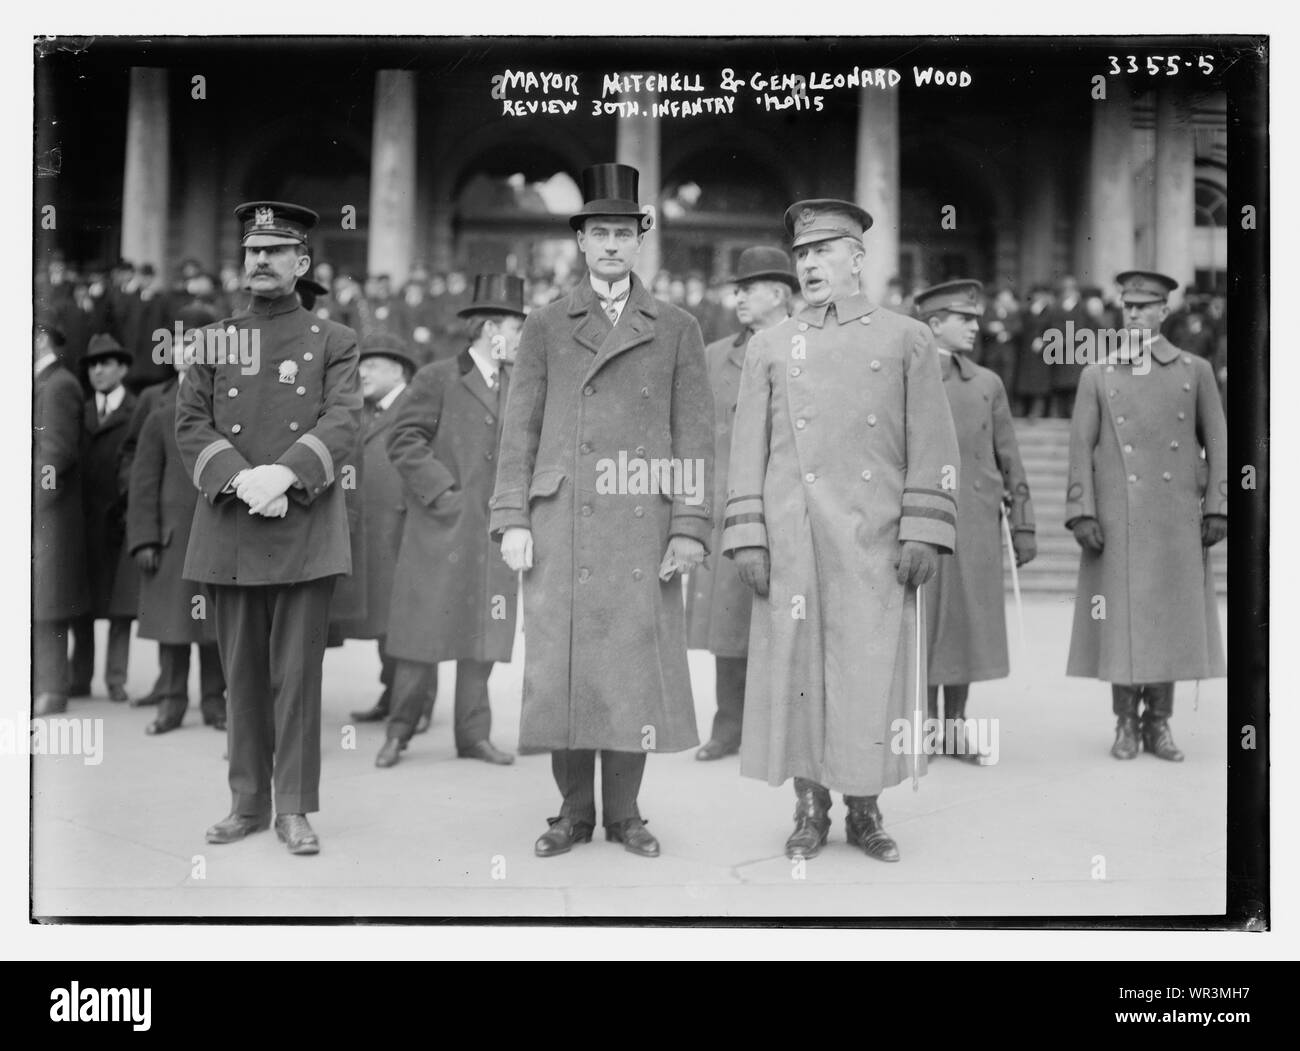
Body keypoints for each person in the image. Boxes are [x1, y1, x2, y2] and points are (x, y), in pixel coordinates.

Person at [722, 199, 960, 863]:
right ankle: (808, 804)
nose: (810, 263)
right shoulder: (771, 344)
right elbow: (748, 448)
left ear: (858, 258)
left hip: (874, 536)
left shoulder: (906, 336)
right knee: (797, 671)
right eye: (802, 253)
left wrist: (922, 528)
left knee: (867, 672)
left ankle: (865, 805)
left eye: (824, 250)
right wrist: (748, 533)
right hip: (794, 535)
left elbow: (934, 442)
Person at [490, 163, 714, 859]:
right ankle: (571, 811)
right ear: (582, 243)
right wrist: (512, 517)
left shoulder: (677, 326)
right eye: (599, 233)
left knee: (631, 668)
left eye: (624, 232)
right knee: (563, 668)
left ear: (640, 241)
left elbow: (695, 434)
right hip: (562, 521)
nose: (612, 245)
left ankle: (626, 813)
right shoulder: (547, 324)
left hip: (642, 523)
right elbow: (518, 427)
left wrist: (688, 527)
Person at [176, 200, 362, 855]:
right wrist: (241, 479)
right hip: (232, 525)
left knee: (297, 678)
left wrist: (281, 477)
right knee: (242, 676)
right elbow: (190, 425)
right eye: (253, 251)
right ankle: (246, 802)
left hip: (303, 528)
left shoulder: (332, 340)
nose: (260, 261)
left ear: (300, 262)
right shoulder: (209, 340)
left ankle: (294, 808)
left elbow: (343, 421)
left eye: (275, 251)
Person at [1065, 270, 1227, 762]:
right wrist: (1081, 511)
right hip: (1118, 518)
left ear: (1164, 311)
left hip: (1176, 516)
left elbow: (1218, 440)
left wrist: (1218, 506)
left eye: (1145, 306)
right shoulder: (1099, 373)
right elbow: (1080, 446)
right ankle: (1124, 726)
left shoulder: (1193, 370)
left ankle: (1158, 724)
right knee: (1120, 622)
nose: (1134, 314)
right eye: (1128, 306)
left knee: (1168, 621)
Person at [378, 275, 528, 769]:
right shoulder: (437, 376)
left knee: (483, 636)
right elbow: (404, 440)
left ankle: (473, 736)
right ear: (490, 329)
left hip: (492, 533)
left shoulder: (519, 384)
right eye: (516, 326)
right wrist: (443, 493)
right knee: (422, 637)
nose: (523, 337)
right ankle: (398, 732)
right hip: (441, 529)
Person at [913, 280, 1036, 760]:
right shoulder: (907, 378)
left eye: (975, 318)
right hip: (921, 524)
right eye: (963, 318)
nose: (975, 327)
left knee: (965, 624)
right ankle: (920, 729)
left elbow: (1010, 458)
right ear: (933, 324)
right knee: (920, 624)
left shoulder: (987, 383)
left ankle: (955, 726)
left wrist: (1023, 524)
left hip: (977, 523)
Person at [687, 245, 798, 761]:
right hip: (729, 511)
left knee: (791, 623)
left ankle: (785, 730)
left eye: (748, 289)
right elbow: (695, 436)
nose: (739, 299)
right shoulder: (715, 357)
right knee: (729, 626)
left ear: (778, 294)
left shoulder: (811, 347)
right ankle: (728, 727)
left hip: (793, 512)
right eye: (738, 290)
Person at [126, 316, 227, 734]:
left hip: (217, 537)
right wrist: (145, 538)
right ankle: (170, 702)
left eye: (198, 371)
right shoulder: (160, 418)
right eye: (184, 369)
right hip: (171, 540)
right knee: (173, 625)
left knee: (215, 628)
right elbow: (143, 483)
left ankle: (213, 703)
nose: (190, 378)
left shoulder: (224, 418)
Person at [344, 333, 420, 727]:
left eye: (372, 365)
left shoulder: (418, 405)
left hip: (405, 531)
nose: (363, 372)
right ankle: (393, 696)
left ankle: (416, 704)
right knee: (383, 622)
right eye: (361, 365)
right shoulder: (364, 411)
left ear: (399, 369)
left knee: (410, 623)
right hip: (373, 533)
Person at [69, 333, 139, 703]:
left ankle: (116, 678)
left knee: (119, 606)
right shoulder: (79, 410)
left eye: (107, 363)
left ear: (123, 368)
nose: (99, 370)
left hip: (118, 520)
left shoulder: (135, 408)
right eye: (93, 364)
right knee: (80, 601)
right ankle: (79, 677)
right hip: (82, 522)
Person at [33, 313, 90, 716]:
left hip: (48, 511)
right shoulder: (47, 382)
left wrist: (34, 500)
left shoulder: (57, 385)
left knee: (48, 603)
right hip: (46, 509)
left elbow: (56, 453)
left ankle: (53, 689)